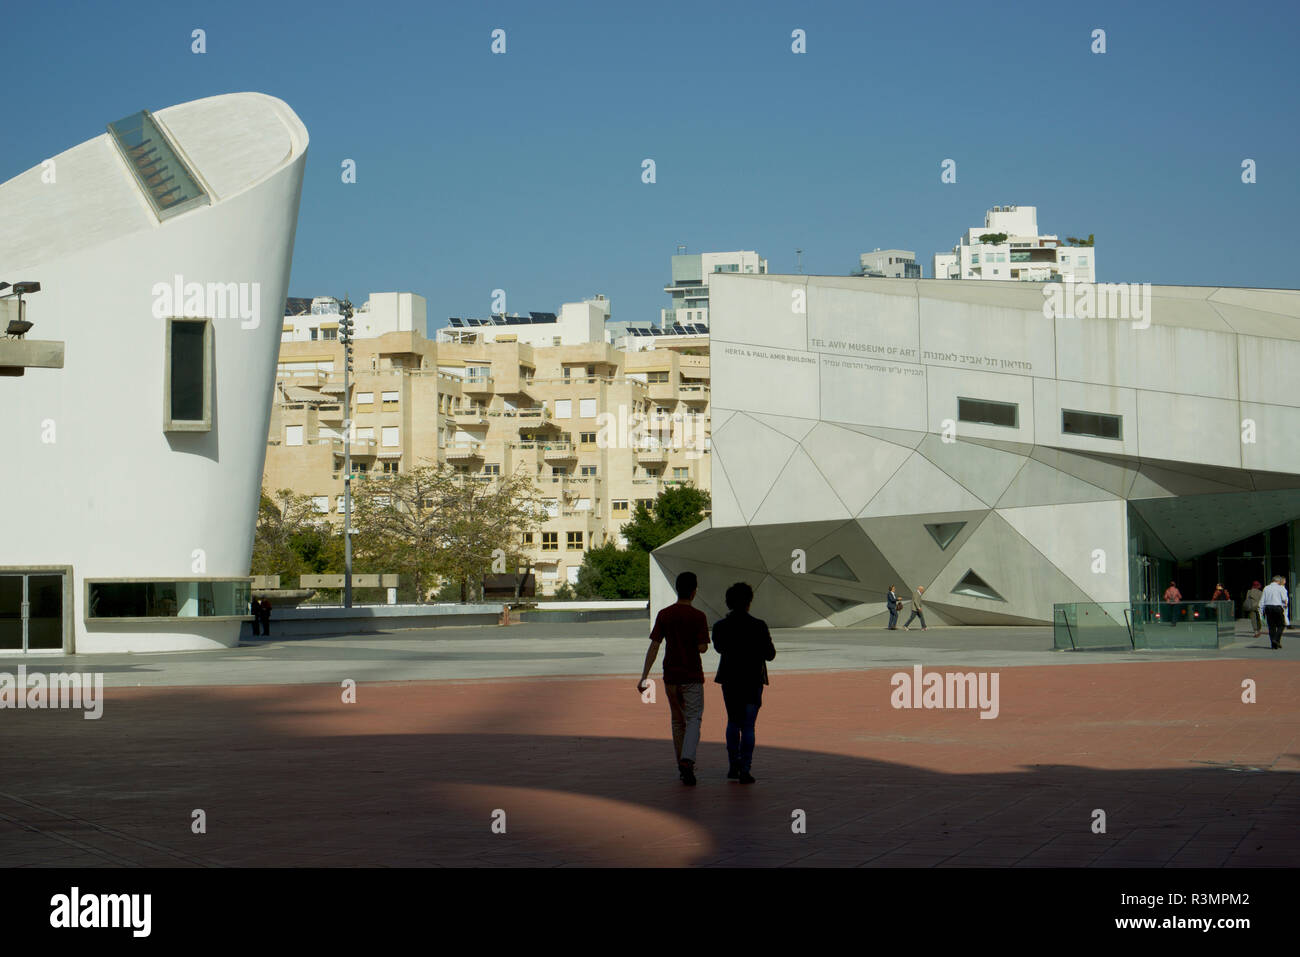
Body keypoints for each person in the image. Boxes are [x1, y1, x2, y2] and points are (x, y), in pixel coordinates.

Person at [638, 571, 710, 785]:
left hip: (670, 676)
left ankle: (681, 765)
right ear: (694, 591)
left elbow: (654, 645)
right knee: (694, 718)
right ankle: (688, 759)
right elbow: (703, 647)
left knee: (678, 721)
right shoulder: (699, 617)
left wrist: (644, 676)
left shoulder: (664, 614)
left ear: (677, 589)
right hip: (692, 676)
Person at [712, 582, 776, 784]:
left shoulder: (720, 627)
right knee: (748, 726)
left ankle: (733, 765)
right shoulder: (759, 626)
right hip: (752, 680)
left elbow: (719, 648)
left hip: (730, 680)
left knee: (733, 721)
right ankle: (746, 768)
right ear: (749, 602)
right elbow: (770, 654)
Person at [1260, 575, 1290, 650]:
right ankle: (1276, 639)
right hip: (1277, 607)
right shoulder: (1280, 588)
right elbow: (1284, 599)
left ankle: (1273, 644)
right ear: (1278, 581)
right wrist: (1285, 605)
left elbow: (1262, 600)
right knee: (1281, 625)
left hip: (1268, 607)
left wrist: (1261, 610)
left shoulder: (1266, 588)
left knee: (1271, 626)